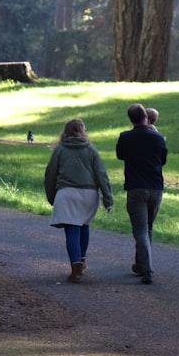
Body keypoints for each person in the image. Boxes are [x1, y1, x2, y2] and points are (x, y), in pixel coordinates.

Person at [44, 119, 113, 283]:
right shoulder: (91, 149)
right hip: (89, 193)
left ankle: (75, 265)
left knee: (72, 229)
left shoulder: (60, 149)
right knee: (83, 224)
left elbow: (50, 175)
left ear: (65, 131)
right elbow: (101, 175)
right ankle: (82, 260)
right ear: (83, 131)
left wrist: (52, 196)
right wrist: (107, 199)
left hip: (66, 193)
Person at [115, 104, 168, 284]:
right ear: (146, 116)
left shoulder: (125, 137)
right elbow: (163, 160)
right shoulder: (158, 137)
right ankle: (141, 265)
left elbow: (120, 155)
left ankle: (147, 270)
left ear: (131, 119)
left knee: (140, 230)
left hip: (136, 187)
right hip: (155, 187)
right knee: (148, 228)